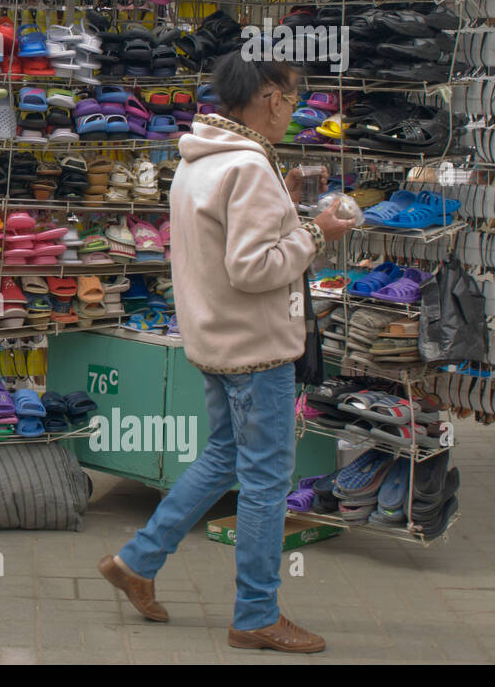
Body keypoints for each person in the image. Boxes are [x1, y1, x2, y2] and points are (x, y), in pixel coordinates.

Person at [97, 52, 354, 654]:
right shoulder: (248, 167)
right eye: (290, 100)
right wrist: (317, 231)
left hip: (213, 337)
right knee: (266, 481)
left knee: (224, 456)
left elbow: (224, 244)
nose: (292, 112)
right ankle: (257, 613)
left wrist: (284, 207)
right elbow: (254, 267)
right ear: (269, 98)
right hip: (256, 346)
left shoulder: (202, 158)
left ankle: (138, 560)